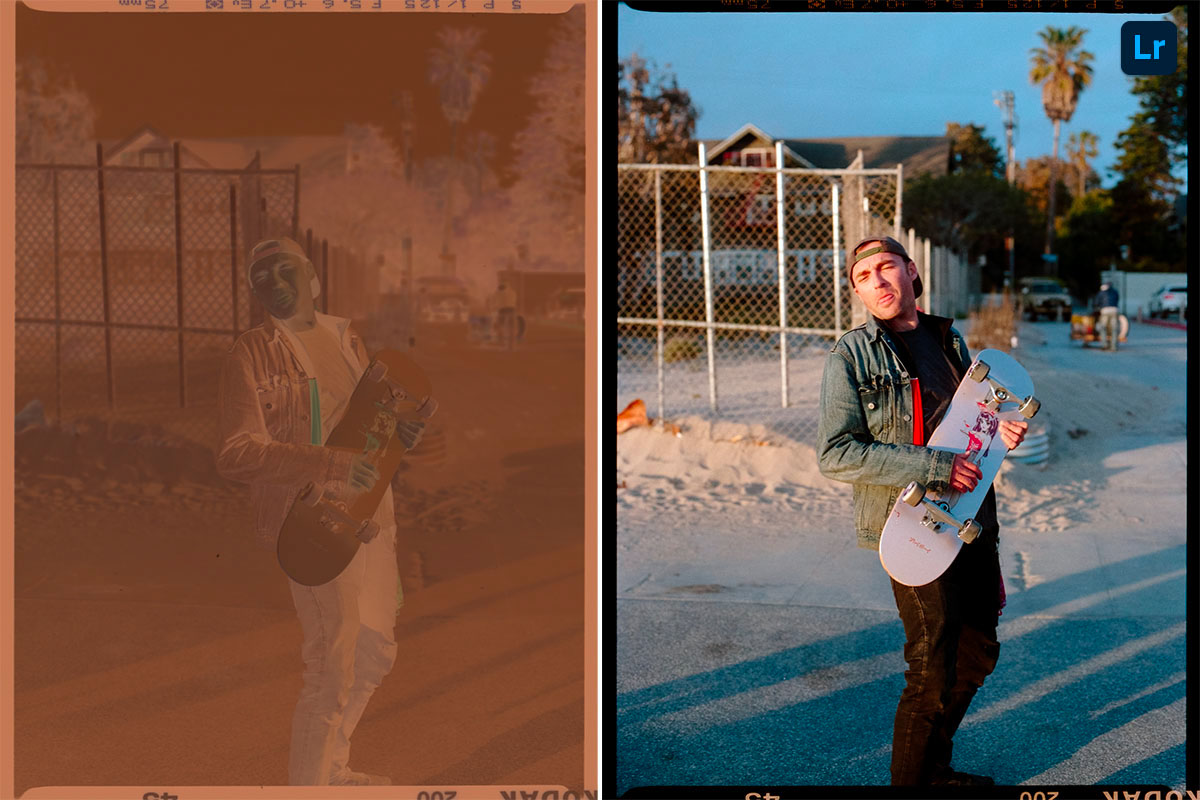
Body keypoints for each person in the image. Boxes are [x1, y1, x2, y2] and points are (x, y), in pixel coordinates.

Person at [216, 236, 433, 786]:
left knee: (376, 652)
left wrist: (399, 433)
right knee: (331, 661)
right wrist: (331, 466)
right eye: (260, 278)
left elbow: (365, 426)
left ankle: (331, 769)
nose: (274, 283)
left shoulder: (348, 339)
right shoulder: (251, 353)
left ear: (312, 278)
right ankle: (308, 788)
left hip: (373, 514)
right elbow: (237, 452)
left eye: (284, 271)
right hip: (310, 521)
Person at [816, 236, 1028, 787]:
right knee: (931, 663)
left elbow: (973, 424)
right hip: (907, 521)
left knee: (978, 650)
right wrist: (934, 466)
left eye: (887, 268)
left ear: (912, 272)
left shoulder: (950, 339)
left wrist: (1001, 431)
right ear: (857, 292)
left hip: (973, 514)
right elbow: (835, 454)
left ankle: (932, 769)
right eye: (863, 276)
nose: (878, 282)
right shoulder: (850, 355)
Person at [489, 279, 519, 349]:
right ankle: (512, 344)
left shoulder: (498, 293)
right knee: (512, 327)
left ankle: (501, 341)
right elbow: (514, 301)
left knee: (500, 326)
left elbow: (493, 301)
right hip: (512, 310)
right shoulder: (513, 292)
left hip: (502, 310)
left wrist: (493, 308)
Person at [1093, 282, 1120, 351]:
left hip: (1104, 311)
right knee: (1114, 329)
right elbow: (1117, 300)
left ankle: (1104, 345)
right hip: (1114, 310)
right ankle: (1113, 347)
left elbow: (1096, 302)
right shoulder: (1115, 291)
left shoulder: (1101, 292)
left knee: (1103, 328)